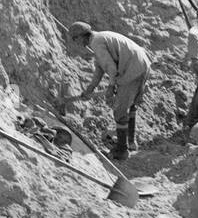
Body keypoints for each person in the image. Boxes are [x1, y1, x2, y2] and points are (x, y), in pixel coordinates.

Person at [62, 24, 150, 161]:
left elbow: (110, 67)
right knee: (130, 104)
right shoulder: (99, 39)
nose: (76, 43)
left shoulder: (97, 42)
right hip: (141, 63)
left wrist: (111, 86)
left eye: (75, 39)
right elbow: (100, 69)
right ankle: (131, 143)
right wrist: (90, 88)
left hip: (132, 69)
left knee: (120, 110)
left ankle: (122, 150)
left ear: (81, 36)